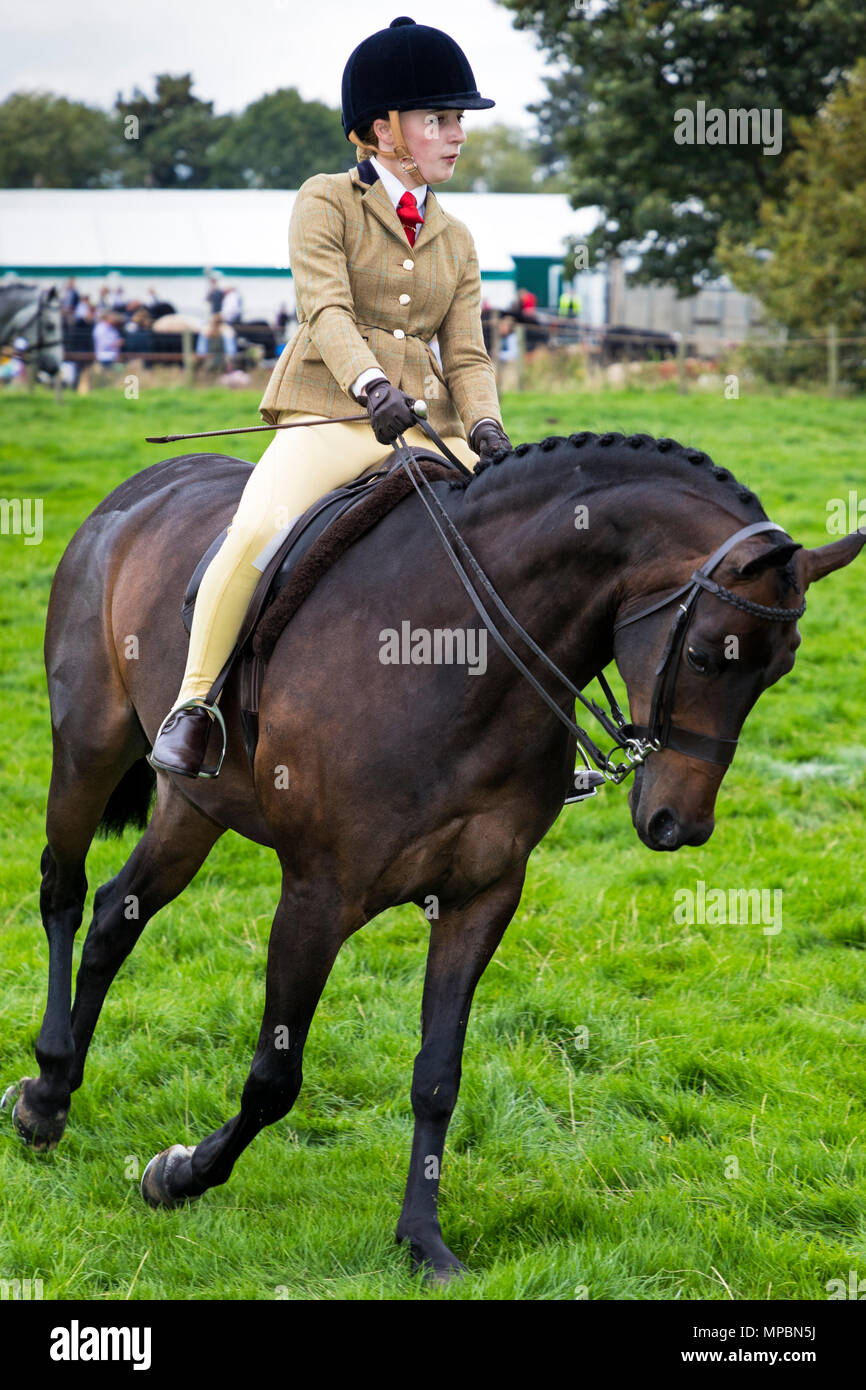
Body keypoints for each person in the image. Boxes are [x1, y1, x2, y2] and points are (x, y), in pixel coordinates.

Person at [150, 15, 511, 777]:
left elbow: (467, 353)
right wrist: (373, 384)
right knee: (256, 535)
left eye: (458, 121)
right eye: (438, 120)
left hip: (422, 431)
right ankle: (195, 705)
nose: (456, 135)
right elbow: (327, 310)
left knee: (519, 548)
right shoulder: (325, 201)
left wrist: (485, 429)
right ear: (383, 130)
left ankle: (533, 737)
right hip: (335, 412)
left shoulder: (458, 239)